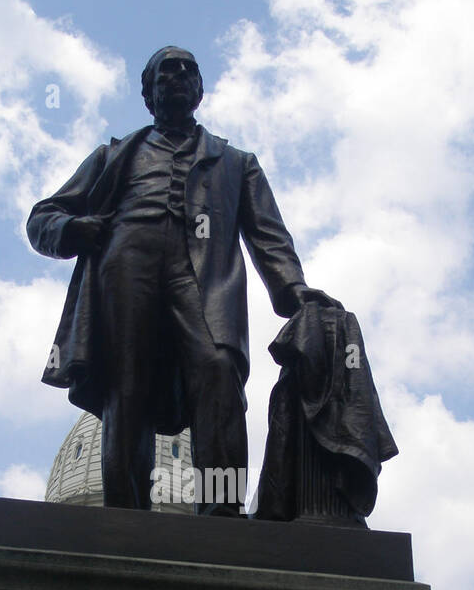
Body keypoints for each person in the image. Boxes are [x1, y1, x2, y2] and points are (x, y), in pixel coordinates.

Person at [27, 45, 320, 514]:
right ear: (149, 92)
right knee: (127, 384)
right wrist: (71, 229)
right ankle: (125, 517)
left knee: (219, 371)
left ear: (200, 88)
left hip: (205, 280)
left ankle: (221, 512)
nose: (179, 75)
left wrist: (294, 291)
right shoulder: (113, 156)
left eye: (189, 70)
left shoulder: (235, 162)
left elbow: (269, 236)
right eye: (167, 70)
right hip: (126, 272)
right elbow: (44, 216)